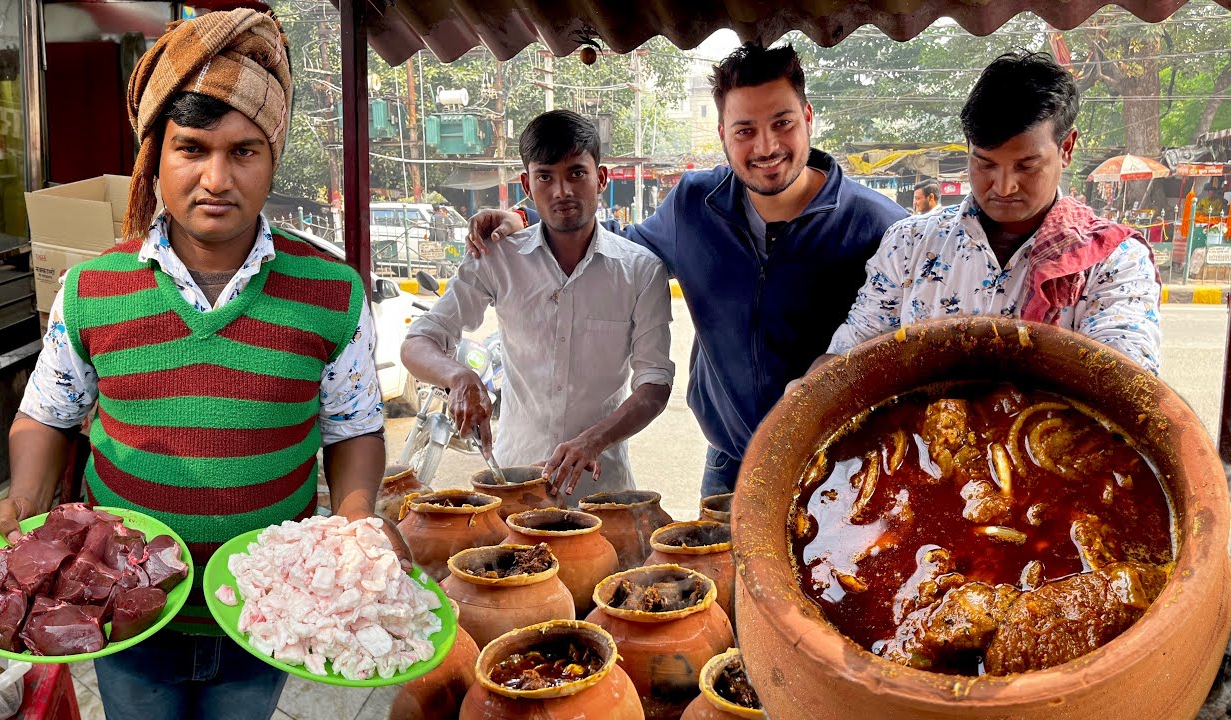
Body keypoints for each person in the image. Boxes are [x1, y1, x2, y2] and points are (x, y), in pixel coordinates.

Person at [0, 10, 410, 719]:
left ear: (274, 157)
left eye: (244, 151)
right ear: (156, 155)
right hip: (123, 611)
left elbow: (353, 426)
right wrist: (23, 504)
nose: (216, 177)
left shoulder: (332, 292)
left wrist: (356, 516)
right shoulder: (93, 289)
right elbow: (45, 414)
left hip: (265, 615)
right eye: (192, 148)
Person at [468, 42, 906, 497]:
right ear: (722, 134)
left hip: (841, 466)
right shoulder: (696, 205)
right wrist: (528, 219)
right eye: (745, 130)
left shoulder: (879, 227)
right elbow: (623, 246)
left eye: (783, 123)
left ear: (808, 117)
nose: (767, 146)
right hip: (730, 462)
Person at [807, 50, 1160, 383]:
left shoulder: (1113, 260)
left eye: (1026, 165)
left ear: (1066, 148)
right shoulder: (910, 243)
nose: (1003, 187)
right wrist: (817, 386)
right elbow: (854, 353)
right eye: (985, 163)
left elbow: (1123, 385)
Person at [401, 110, 674, 499]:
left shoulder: (641, 271)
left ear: (600, 178)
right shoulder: (498, 258)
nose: (562, 191)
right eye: (546, 176)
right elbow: (418, 342)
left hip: (602, 492)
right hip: (514, 484)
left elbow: (654, 386)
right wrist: (459, 377)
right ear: (528, 185)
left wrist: (592, 441)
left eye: (576, 173)